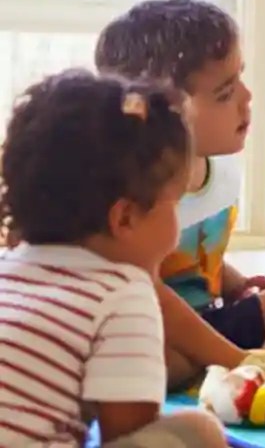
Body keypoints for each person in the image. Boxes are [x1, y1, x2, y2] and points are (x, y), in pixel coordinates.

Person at [95, 0, 265, 396]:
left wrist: (235, 283)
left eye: (241, 80)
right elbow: (148, 291)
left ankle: (264, 370)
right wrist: (235, 355)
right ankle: (264, 372)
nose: (247, 98)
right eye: (225, 92)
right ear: (166, 114)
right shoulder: (136, 195)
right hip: (164, 336)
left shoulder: (221, 169)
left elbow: (197, 251)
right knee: (144, 364)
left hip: (215, 321)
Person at [0, 70, 227, 446]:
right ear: (124, 218)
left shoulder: (9, 271)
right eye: (176, 203)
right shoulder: (123, 294)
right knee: (197, 432)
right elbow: (126, 434)